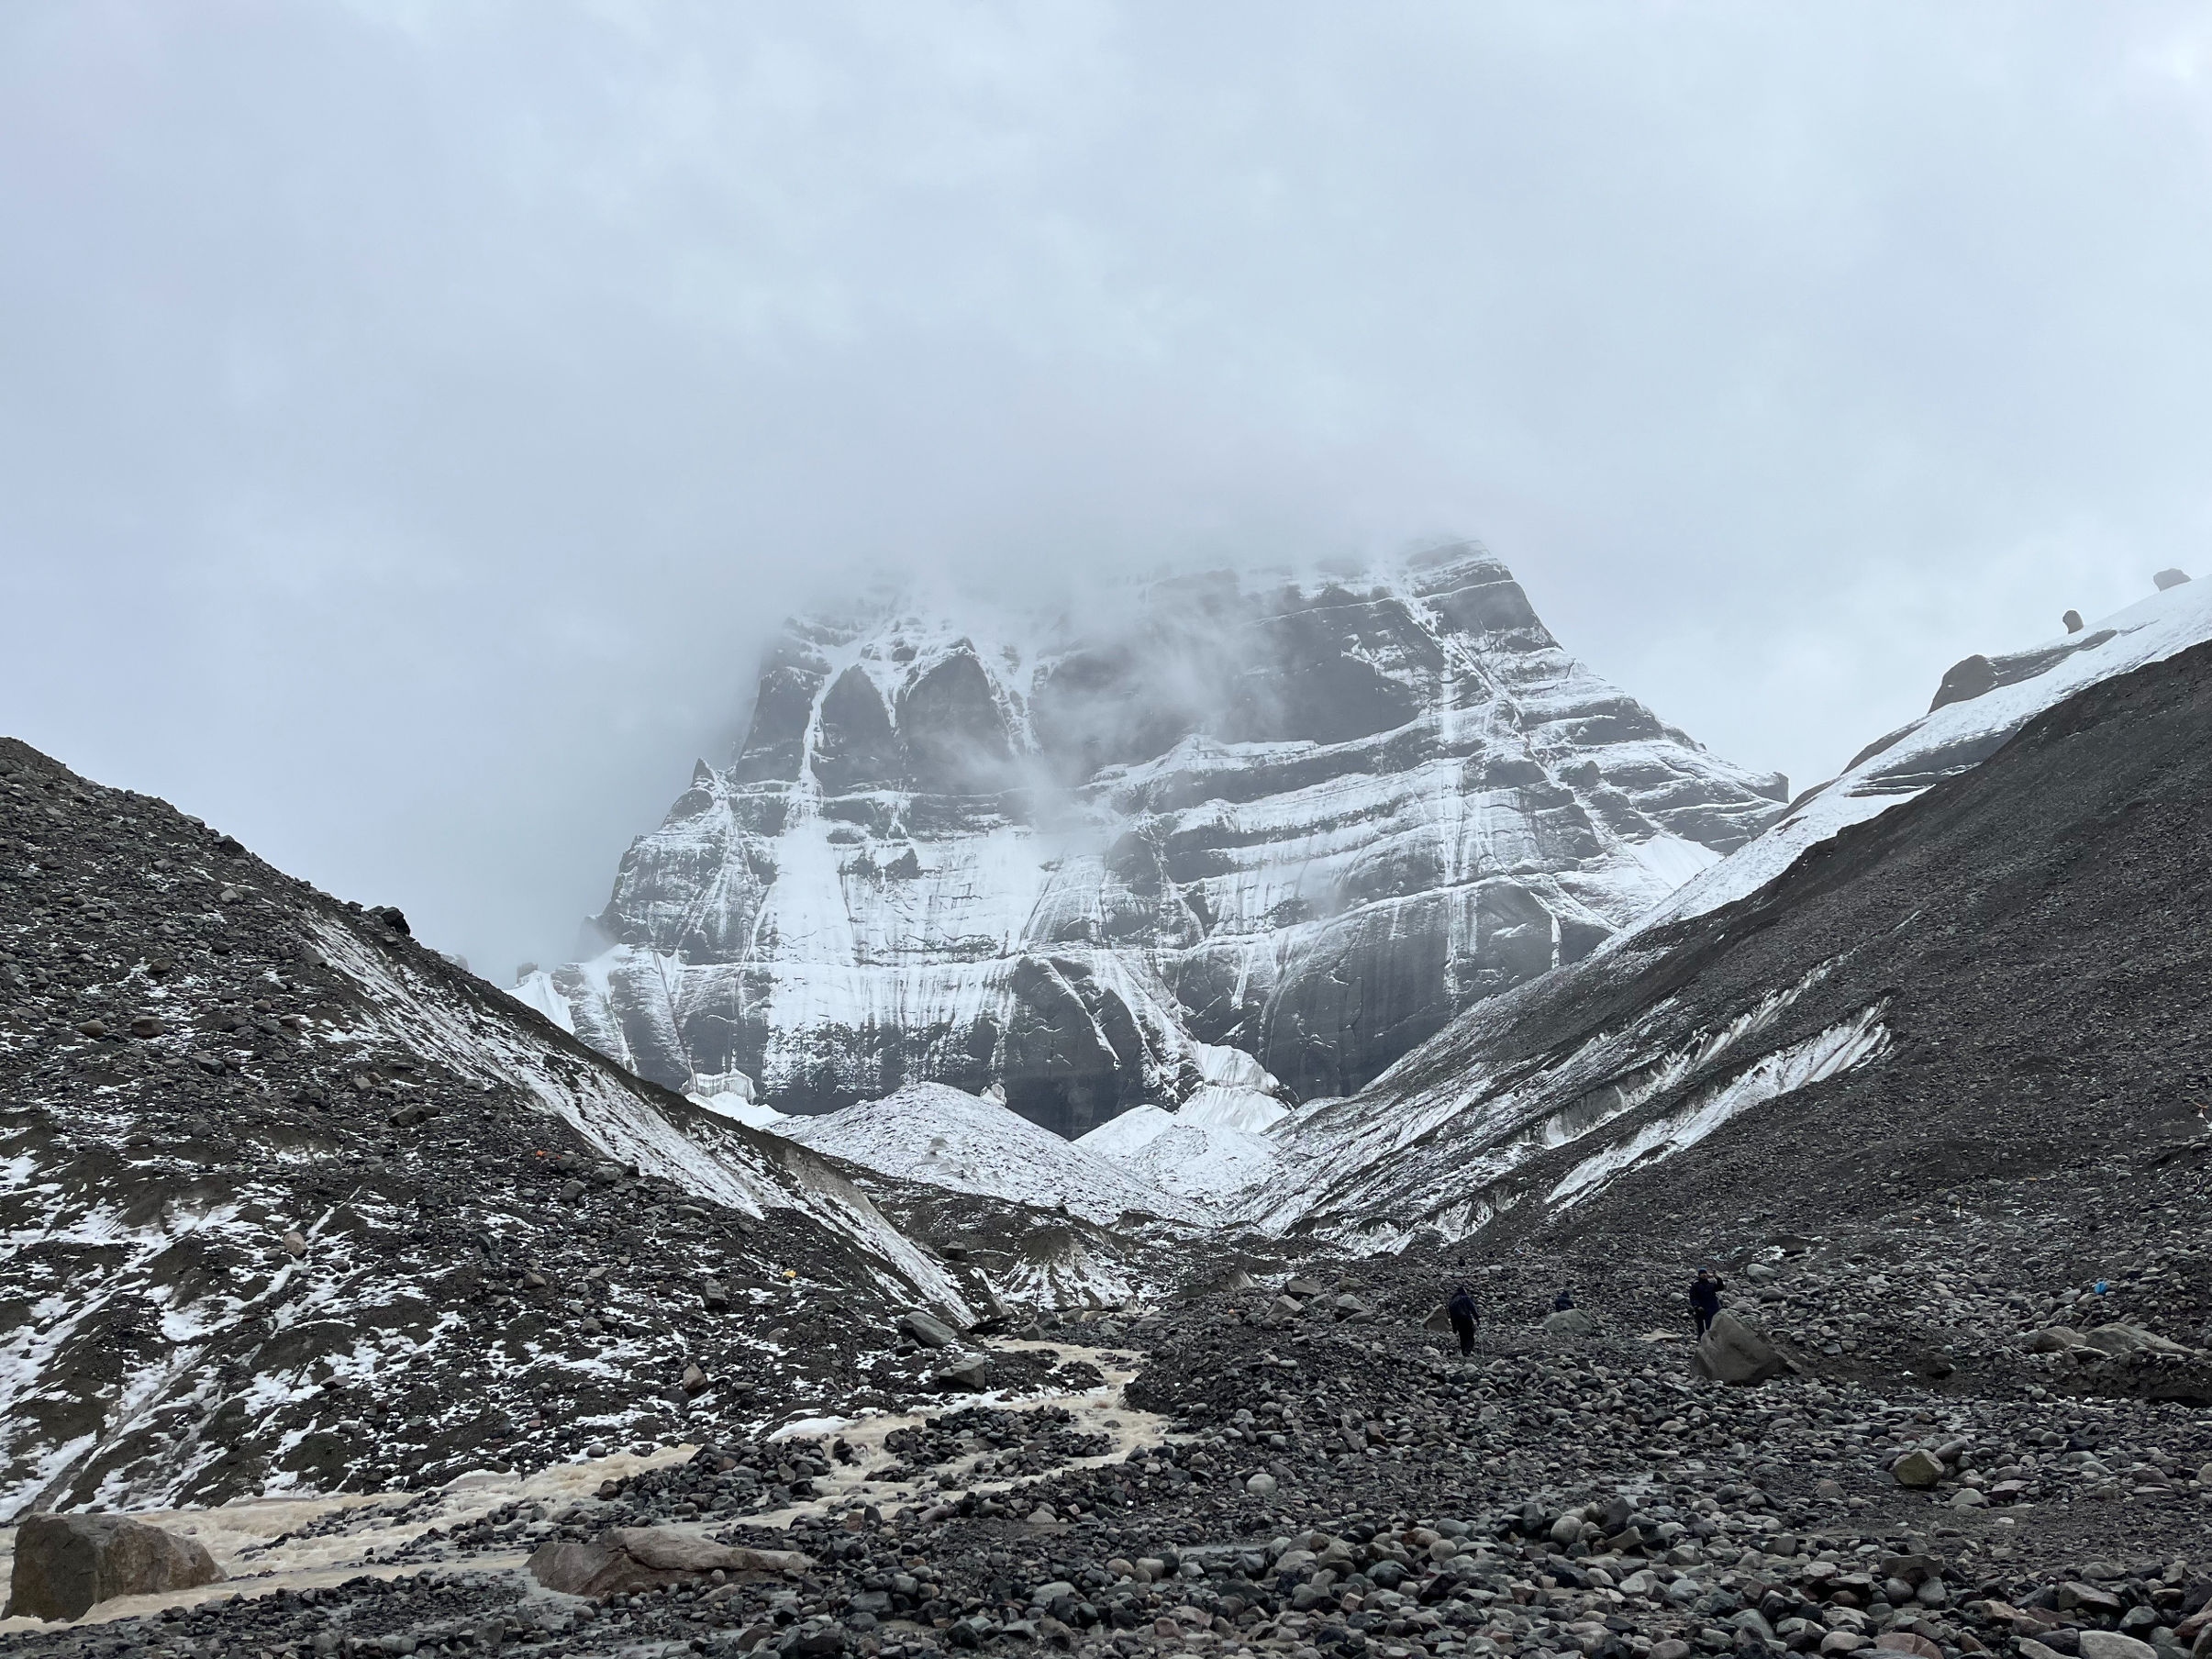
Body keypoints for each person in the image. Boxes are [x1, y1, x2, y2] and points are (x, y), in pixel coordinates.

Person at [1689, 1269, 1723, 1338]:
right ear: (1699, 1275)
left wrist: (1718, 1278)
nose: (1704, 1275)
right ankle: (1702, 1339)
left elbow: (1720, 1287)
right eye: (1702, 1273)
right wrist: (1697, 1306)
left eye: (1705, 1273)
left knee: (1713, 1324)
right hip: (1702, 1308)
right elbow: (1693, 1297)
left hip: (1713, 1307)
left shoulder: (1710, 1284)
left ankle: (1713, 1338)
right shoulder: (1696, 1286)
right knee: (1701, 1325)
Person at [1447, 1285, 1478, 1355]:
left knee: (1463, 1337)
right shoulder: (1465, 1298)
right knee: (1470, 1337)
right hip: (1466, 1319)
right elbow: (1472, 1309)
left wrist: (1454, 1328)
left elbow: (1452, 1316)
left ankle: (1464, 1353)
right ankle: (1467, 1351)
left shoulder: (1452, 1302)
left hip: (1458, 1322)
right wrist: (1477, 1319)